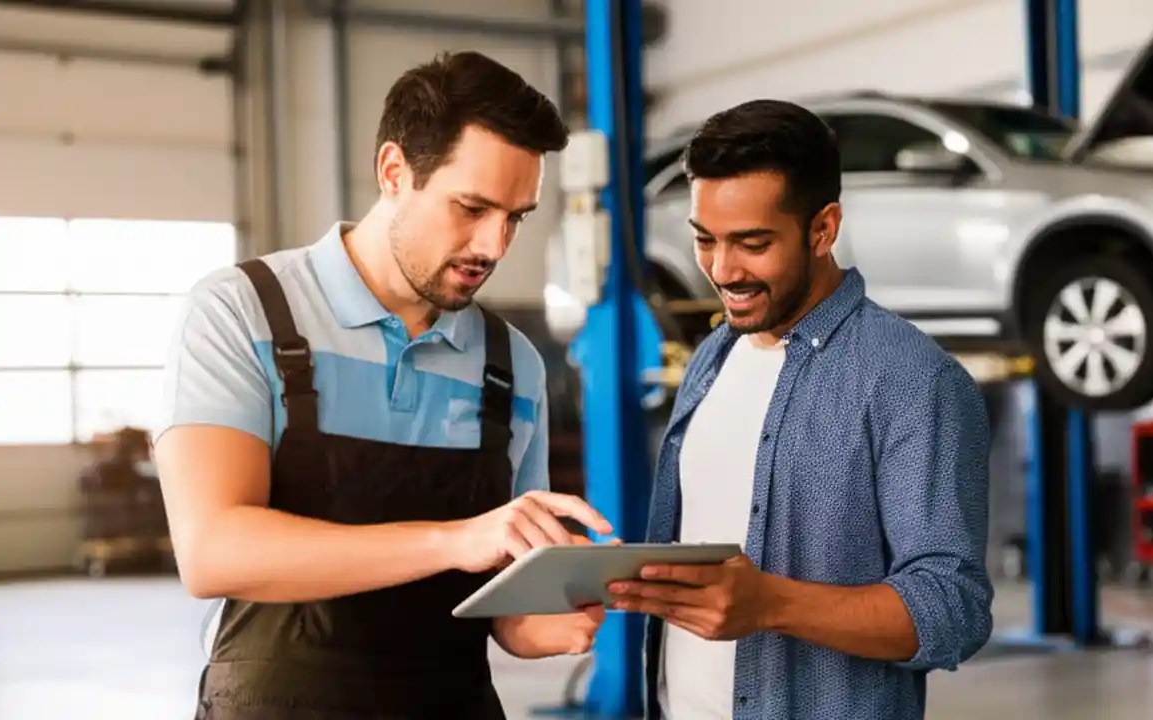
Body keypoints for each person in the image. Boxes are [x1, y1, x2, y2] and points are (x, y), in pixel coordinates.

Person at [154, 51, 614, 719]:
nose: (494, 244)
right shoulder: (240, 311)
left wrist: (552, 616)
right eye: (472, 207)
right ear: (394, 171)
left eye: (516, 216)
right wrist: (455, 539)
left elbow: (509, 611)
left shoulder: (512, 365)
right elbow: (213, 552)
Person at [608, 99, 994, 719]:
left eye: (752, 243)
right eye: (706, 240)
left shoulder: (914, 382)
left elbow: (953, 609)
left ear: (823, 228)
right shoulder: (710, 360)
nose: (723, 269)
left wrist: (769, 604)